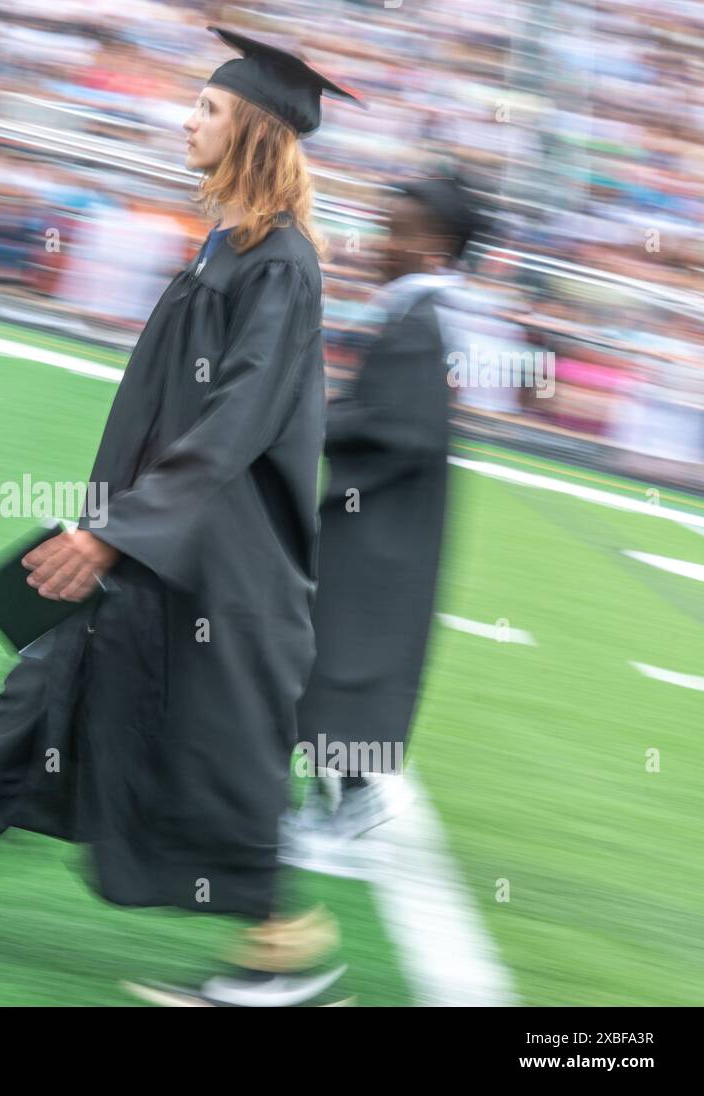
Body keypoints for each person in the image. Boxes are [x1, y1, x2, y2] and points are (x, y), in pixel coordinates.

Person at [0, 24, 363, 1007]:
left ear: (253, 131)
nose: (188, 120)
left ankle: (287, 952)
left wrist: (112, 532)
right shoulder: (235, 244)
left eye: (208, 109)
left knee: (207, 748)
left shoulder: (281, 264)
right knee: (49, 687)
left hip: (215, 561)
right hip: (161, 540)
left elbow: (237, 421)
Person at [283, 174, 486, 870]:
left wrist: (312, 424)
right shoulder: (413, 318)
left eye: (399, 231)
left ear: (437, 249)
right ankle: (327, 799)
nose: (381, 244)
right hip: (376, 525)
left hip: (382, 537)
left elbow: (410, 432)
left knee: (346, 664)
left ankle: (356, 800)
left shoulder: (419, 326)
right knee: (328, 663)